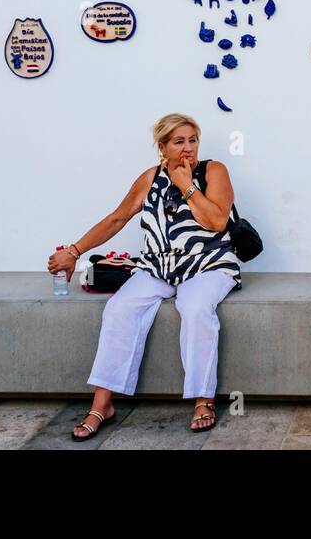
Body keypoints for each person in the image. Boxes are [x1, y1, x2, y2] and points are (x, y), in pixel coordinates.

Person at [47, 113, 240, 439]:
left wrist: (186, 186)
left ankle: (203, 399)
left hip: (209, 264)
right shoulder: (150, 178)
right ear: (162, 147)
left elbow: (217, 221)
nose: (188, 148)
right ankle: (102, 404)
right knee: (119, 309)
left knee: (194, 309)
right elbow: (117, 219)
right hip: (159, 267)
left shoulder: (213, 171)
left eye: (192, 140)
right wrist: (74, 251)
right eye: (179, 142)